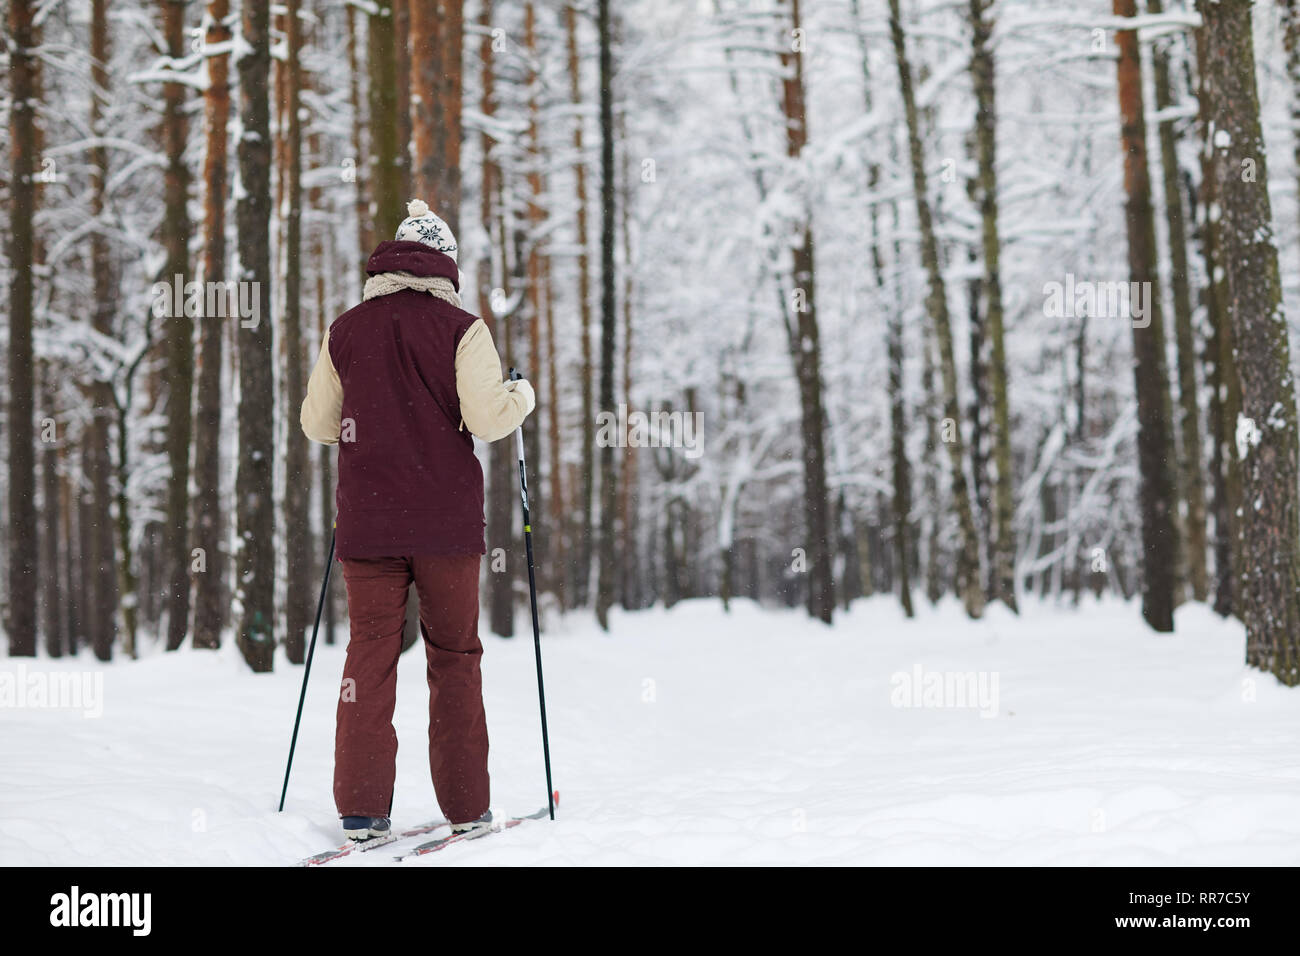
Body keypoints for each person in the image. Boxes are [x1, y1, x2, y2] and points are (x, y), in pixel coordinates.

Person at [300, 198, 535, 841]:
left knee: (368, 657)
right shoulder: (463, 328)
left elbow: (318, 425)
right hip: (446, 529)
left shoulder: (345, 329)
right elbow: (489, 420)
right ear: (445, 266)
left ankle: (361, 810)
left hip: (368, 527)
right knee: (454, 655)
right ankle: (466, 807)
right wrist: (521, 394)